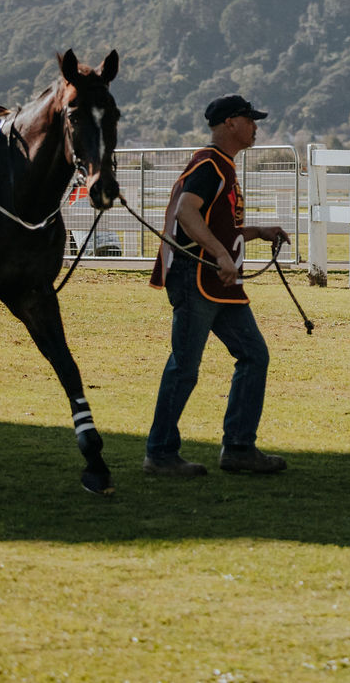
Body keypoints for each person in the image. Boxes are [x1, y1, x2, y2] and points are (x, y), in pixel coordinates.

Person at [145, 94, 290, 476]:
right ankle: (159, 453)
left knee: (254, 355)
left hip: (219, 285)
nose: (256, 126)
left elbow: (215, 223)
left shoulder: (222, 165)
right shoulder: (210, 164)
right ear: (230, 123)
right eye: (250, 119)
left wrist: (256, 231)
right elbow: (187, 213)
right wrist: (221, 256)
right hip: (199, 282)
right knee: (185, 367)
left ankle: (239, 448)